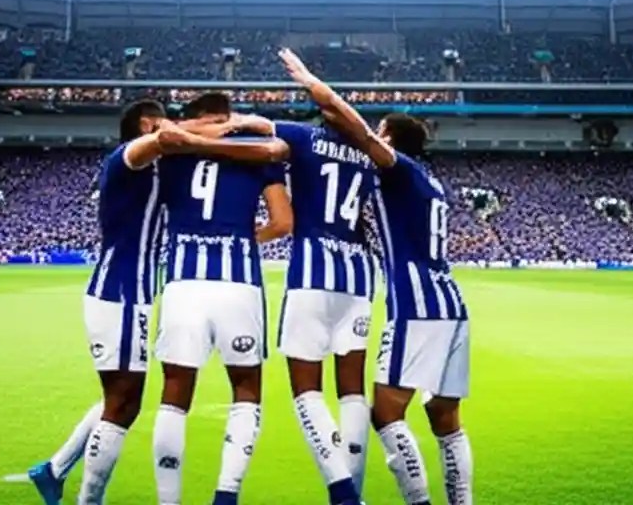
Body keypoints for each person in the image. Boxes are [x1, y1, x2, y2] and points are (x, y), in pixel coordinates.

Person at [27, 97, 288, 505]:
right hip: (121, 292)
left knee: (123, 396)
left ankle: (55, 469)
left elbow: (178, 140)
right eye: (165, 119)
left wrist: (230, 126)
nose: (177, 125)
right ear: (148, 124)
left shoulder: (164, 166)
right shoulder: (129, 156)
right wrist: (229, 128)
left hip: (141, 291)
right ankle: (86, 498)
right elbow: (170, 137)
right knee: (122, 403)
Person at [279, 48, 474, 505]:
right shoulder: (432, 182)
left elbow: (358, 130)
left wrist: (311, 81)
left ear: (389, 139)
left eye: (380, 133)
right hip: (452, 302)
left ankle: (419, 502)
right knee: (446, 417)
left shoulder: (398, 169)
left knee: (386, 414)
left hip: (416, 304)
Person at [150, 92, 293, 505]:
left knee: (174, 392)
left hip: (183, 282)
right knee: (246, 389)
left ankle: (168, 500)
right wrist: (249, 238)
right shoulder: (258, 153)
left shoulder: (171, 151)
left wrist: (193, 136)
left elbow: (160, 132)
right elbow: (283, 222)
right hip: (239, 284)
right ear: (224, 117)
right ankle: (226, 496)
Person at [261, 114, 379, 505]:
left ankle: (343, 492)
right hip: (360, 277)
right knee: (352, 391)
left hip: (313, 274)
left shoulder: (303, 137)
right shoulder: (368, 153)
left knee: (306, 390)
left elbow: (250, 124)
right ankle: (353, 489)